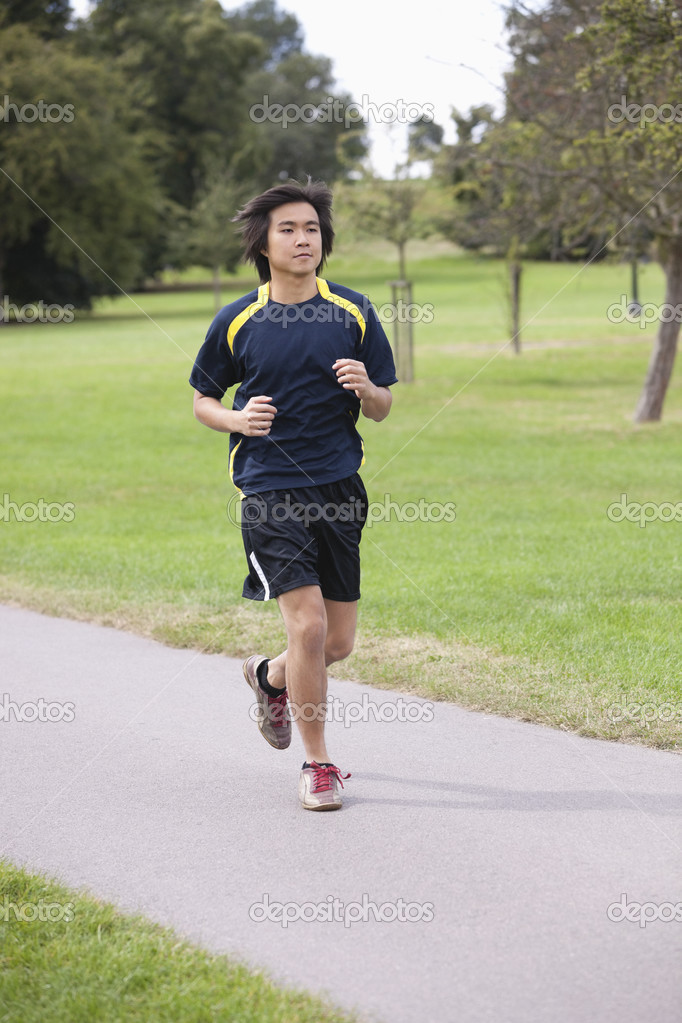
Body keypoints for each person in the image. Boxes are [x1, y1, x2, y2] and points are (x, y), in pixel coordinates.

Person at [189, 179, 397, 811]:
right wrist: (235, 419)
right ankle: (319, 766)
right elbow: (202, 399)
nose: (303, 238)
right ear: (264, 243)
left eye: (311, 228)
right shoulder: (238, 320)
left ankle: (267, 678)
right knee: (306, 627)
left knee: (336, 645)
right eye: (288, 229)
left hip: (339, 490)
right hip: (269, 489)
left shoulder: (355, 311)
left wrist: (366, 387)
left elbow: (384, 407)